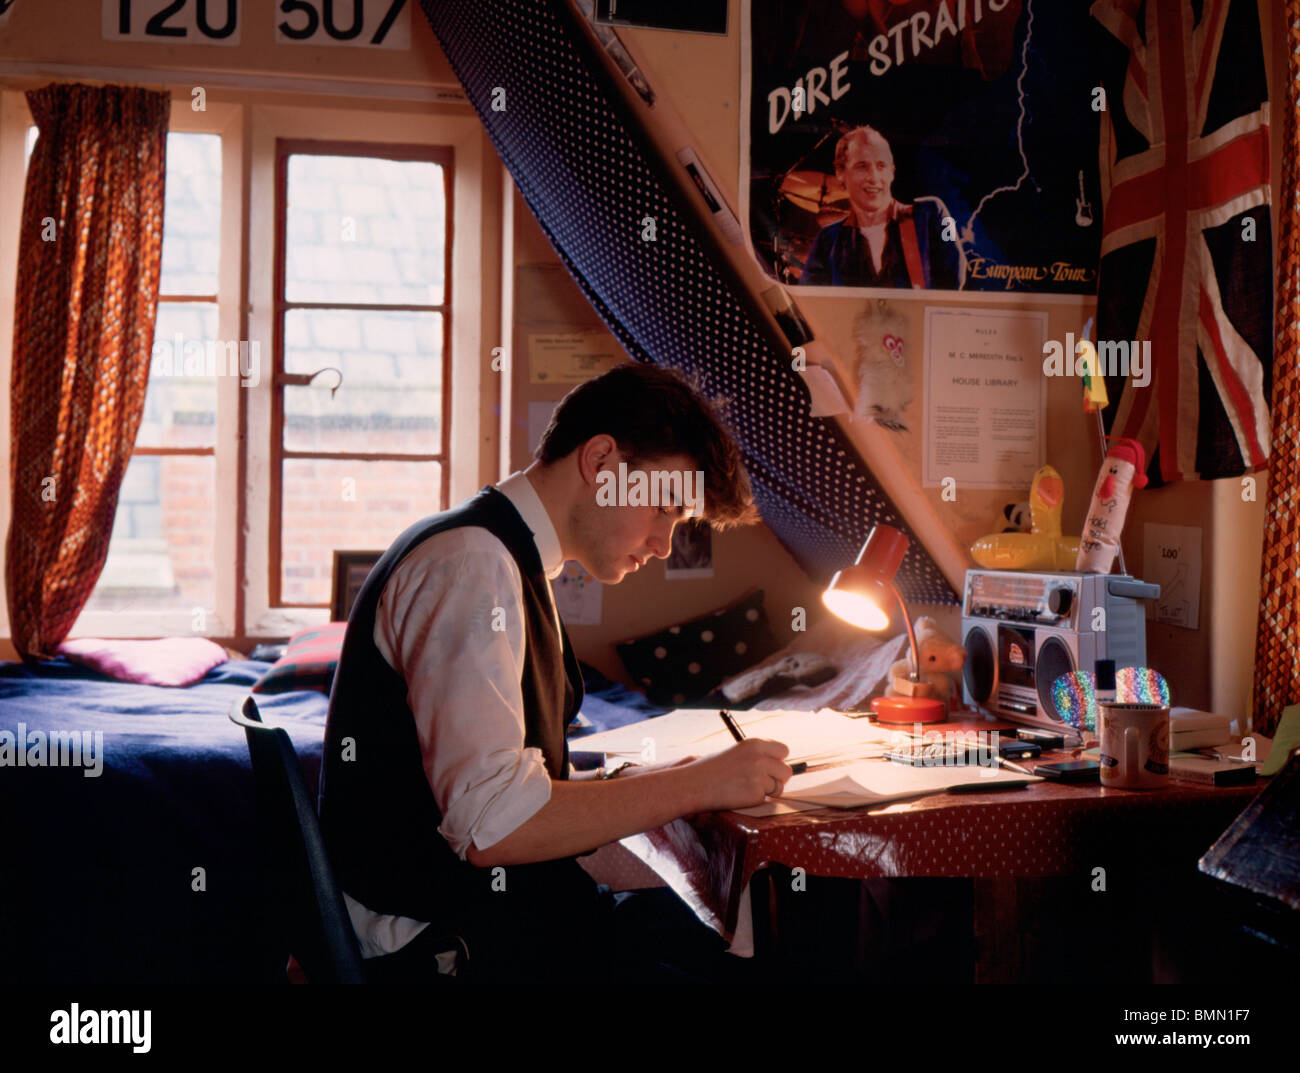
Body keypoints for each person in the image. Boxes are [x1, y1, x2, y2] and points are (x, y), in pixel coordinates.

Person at [319, 363, 793, 983]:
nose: (662, 543)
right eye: (666, 510)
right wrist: (698, 786)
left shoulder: (504, 558)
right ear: (601, 461)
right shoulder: (472, 566)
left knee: (720, 924)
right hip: (440, 943)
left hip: (481, 912)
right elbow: (491, 825)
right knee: (756, 949)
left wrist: (659, 783)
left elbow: (512, 778)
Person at [799, 125, 966, 290]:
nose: (874, 177)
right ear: (840, 172)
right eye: (862, 166)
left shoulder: (934, 214)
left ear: (892, 172)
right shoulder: (827, 239)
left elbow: (955, 271)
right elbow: (811, 295)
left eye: (881, 166)